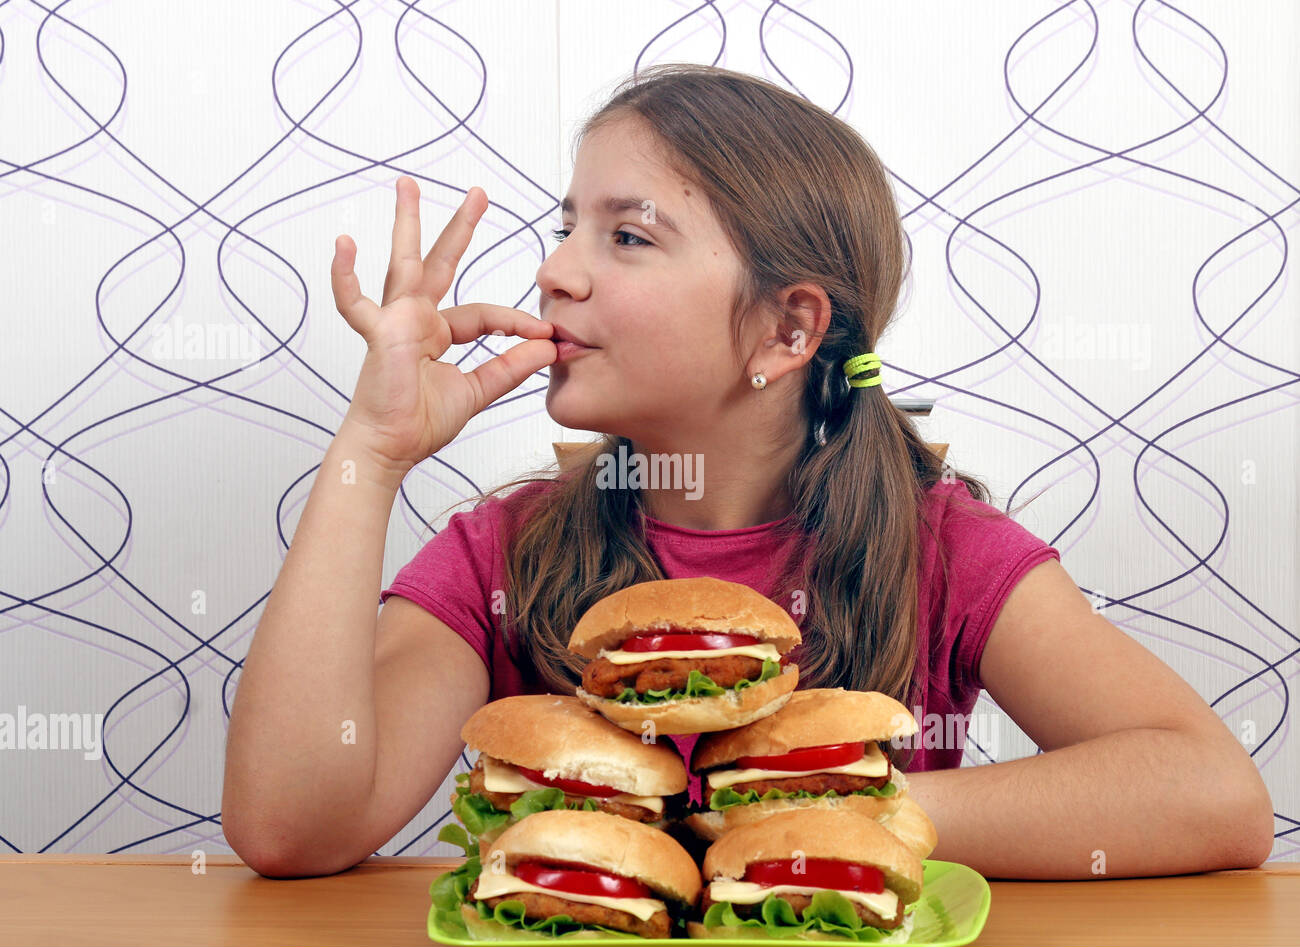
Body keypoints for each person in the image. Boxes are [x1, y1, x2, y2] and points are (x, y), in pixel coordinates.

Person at [221, 64, 1273, 881]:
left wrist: (847, 816)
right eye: (566, 224)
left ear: (786, 326)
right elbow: (291, 824)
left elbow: (1212, 791)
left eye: (626, 235)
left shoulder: (941, 547)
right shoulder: (504, 554)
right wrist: (371, 450)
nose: (555, 269)